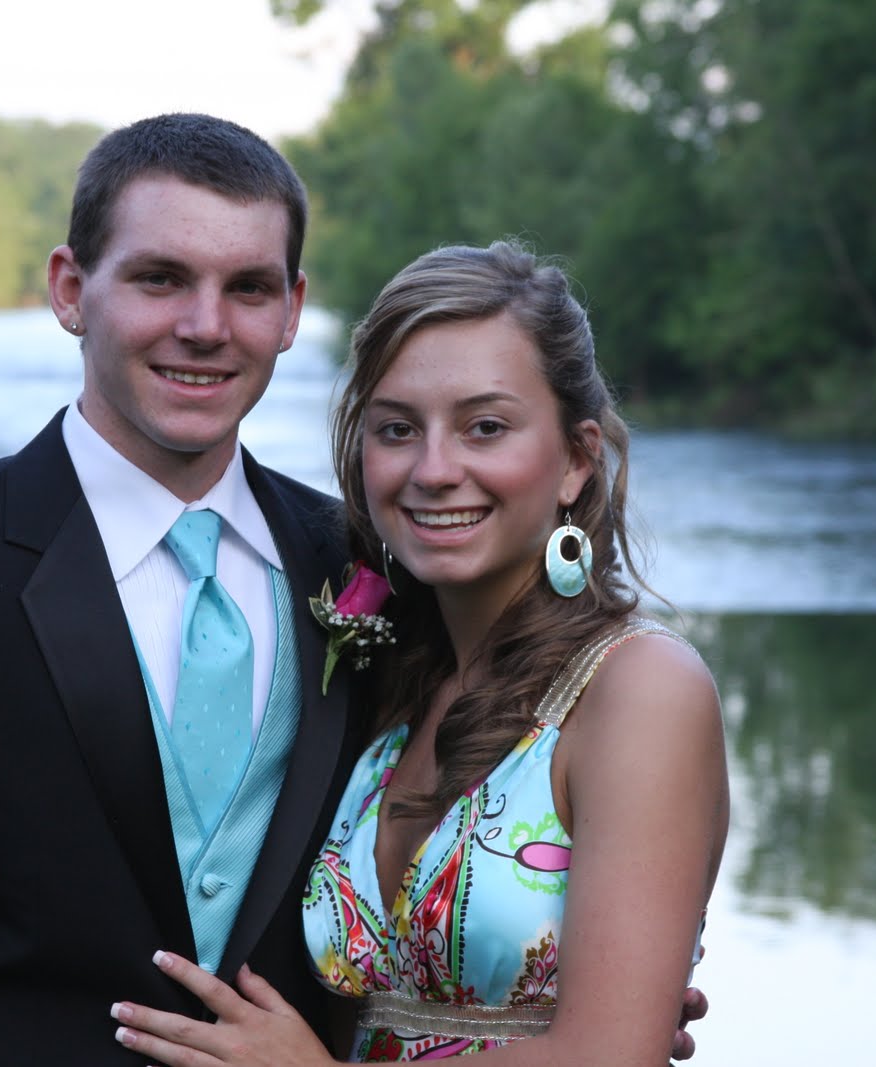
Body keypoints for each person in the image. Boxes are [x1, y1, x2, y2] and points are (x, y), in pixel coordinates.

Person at [0, 115, 707, 1066]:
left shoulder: (368, 577)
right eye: (160, 278)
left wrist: (572, 1007)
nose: (204, 327)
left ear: (290, 310)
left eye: (247, 287)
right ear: (70, 289)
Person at [105, 240, 730, 1064]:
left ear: (577, 461)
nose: (434, 469)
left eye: (485, 427)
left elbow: (610, 1054)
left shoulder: (640, 688)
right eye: (397, 429)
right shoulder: (386, 682)